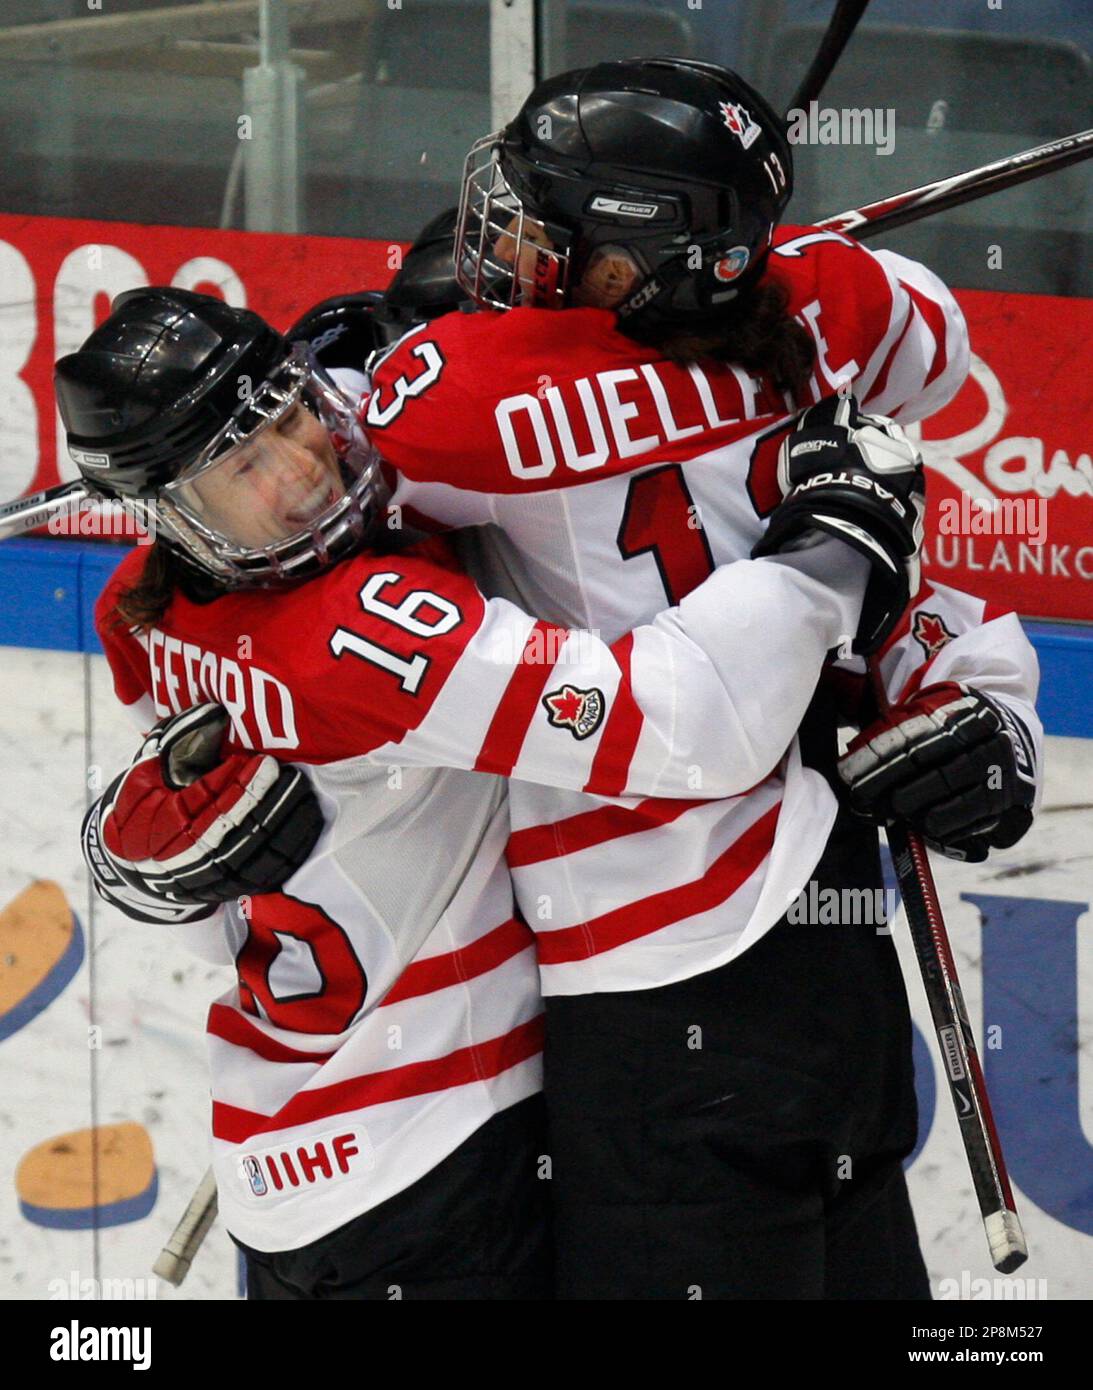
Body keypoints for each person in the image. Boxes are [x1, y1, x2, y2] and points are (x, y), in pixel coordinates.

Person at [351, 58, 1043, 1298]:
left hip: (650, 987)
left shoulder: (460, 396)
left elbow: (283, 504)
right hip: (829, 938)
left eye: (544, 215)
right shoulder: (826, 312)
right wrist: (781, 269)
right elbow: (931, 337)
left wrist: (349, 344)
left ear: (636, 251)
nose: (507, 234)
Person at [66, 285, 888, 1298]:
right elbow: (692, 729)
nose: (300, 472)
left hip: (279, 1162)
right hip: (435, 1165)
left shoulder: (142, 610)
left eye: (289, 416)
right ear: (177, 508)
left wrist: (402, 340)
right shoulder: (359, 640)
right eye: (244, 465)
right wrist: (827, 549)